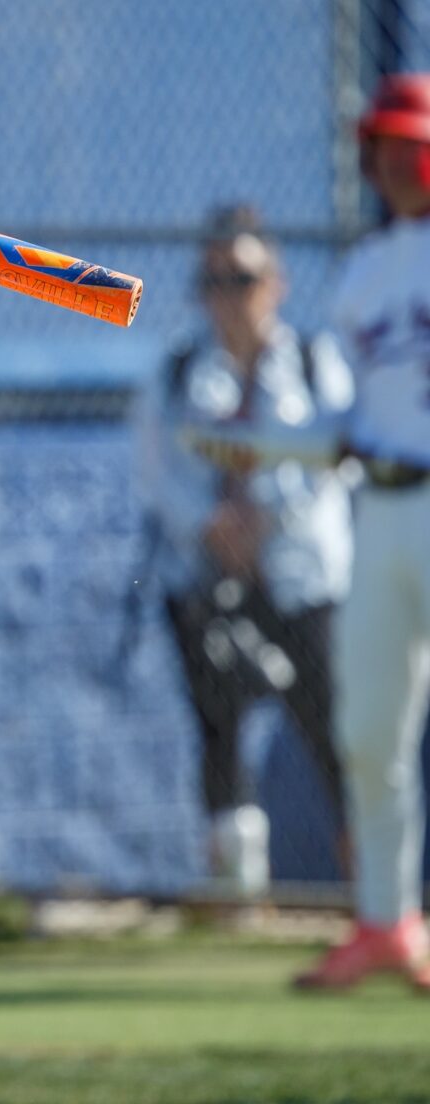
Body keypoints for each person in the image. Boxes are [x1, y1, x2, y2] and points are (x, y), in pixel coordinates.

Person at [131, 207, 351, 900]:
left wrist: (267, 515)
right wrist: (212, 523)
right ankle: (237, 889)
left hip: (301, 576)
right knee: (218, 725)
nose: (230, 294)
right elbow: (155, 472)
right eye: (215, 279)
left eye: (244, 277)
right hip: (208, 574)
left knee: (331, 724)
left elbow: (340, 454)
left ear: (277, 282)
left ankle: (370, 892)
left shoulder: (315, 364)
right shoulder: (177, 372)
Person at [288, 74, 430, 990]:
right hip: (378, 506)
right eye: (382, 143)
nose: (393, 159)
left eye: (408, 142)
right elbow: (348, 404)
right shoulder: (366, 268)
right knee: (371, 727)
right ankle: (387, 920)